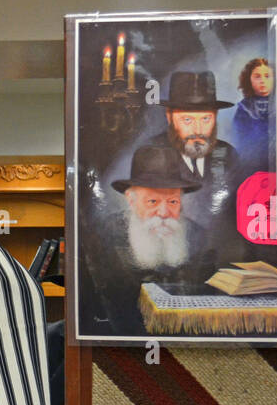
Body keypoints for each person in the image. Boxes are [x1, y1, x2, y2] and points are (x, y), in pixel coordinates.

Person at [78, 144, 215, 337]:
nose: (163, 213)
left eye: (173, 202)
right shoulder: (102, 236)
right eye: (153, 201)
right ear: (131, 200)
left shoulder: (199, 237)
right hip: (119, 343)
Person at [143, 70, 241, 235]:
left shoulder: (228, 154)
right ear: (169, 117)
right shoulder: (150, 153)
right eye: (187, 120)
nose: (198, 130)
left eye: (205, 119)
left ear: (215, 116)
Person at [230, 58, 274, 171]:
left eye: (267, 76)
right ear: (249, 80)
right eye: (257, 76)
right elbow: (240, 142)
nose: (262, 81)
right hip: (253, 164)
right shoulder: (244, 109)